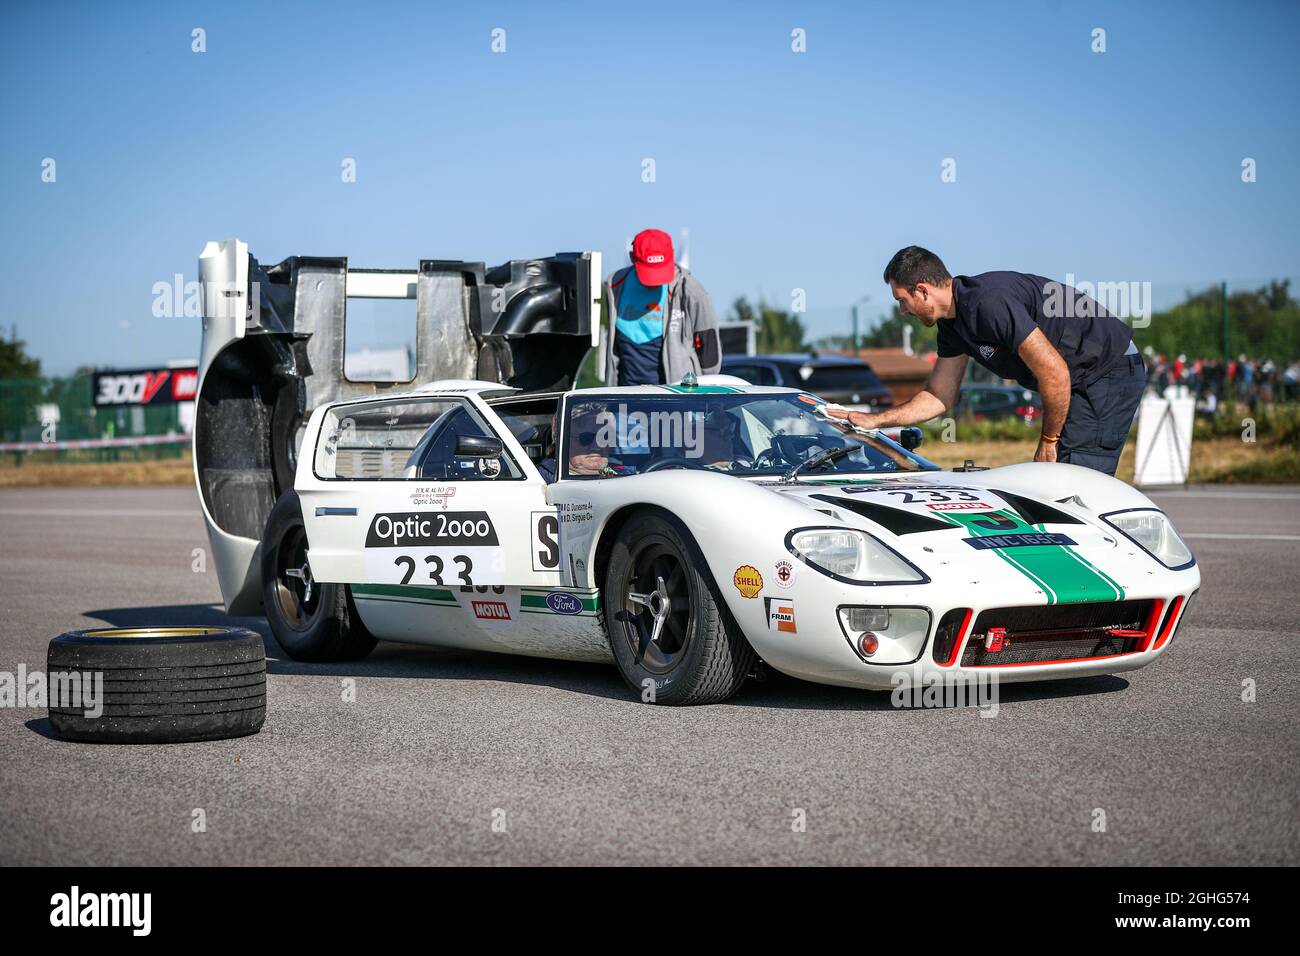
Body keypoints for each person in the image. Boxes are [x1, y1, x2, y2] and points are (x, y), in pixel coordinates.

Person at [827, 246, 1146, 475]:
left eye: (902, 300)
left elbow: (1055, 372)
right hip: (1080, 376)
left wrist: (1048, 441)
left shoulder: (987, 303)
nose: (902, 311)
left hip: (1108, 370)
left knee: (1073, 484)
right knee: (1057, 480)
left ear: (922, 291)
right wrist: (874, 420)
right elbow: (939, 396)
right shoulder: (952, 326)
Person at [603, 228, 721, 386]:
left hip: (677, 401)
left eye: (660, 270)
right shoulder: (614, 286)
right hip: (627, 400)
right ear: (632, 258)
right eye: (649, 272)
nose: (655, 281)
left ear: (672, 256)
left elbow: (709, 353)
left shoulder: (691, 292)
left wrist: (705, 396)